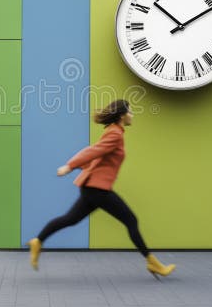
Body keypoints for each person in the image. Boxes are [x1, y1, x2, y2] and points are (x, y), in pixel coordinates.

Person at [26, 99, 176, 279]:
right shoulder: (115, 134)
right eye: (130, 112)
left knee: (70, 219)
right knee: (131, 220)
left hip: (92, 188)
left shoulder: (114, 132)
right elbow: (94, 151)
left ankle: (38, 241)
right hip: (97, 189)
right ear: (122, 115)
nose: (132, 115)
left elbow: (98, 155)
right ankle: (152, 263)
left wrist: (78, 167)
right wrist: (70, 166)